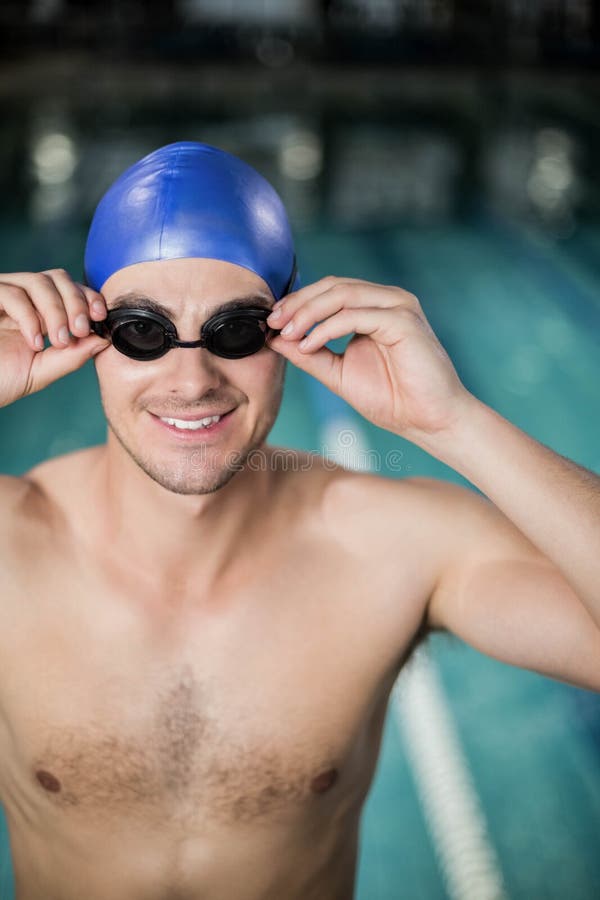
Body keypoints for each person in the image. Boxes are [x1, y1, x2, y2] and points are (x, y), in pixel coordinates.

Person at [0, 141, 598, 900]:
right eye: (143, 333)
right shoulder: (12, 543)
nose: (191, 380)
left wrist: (453, 423)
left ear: (290, 330)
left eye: (236, 331)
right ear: (92, 341)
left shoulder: (393, 546)